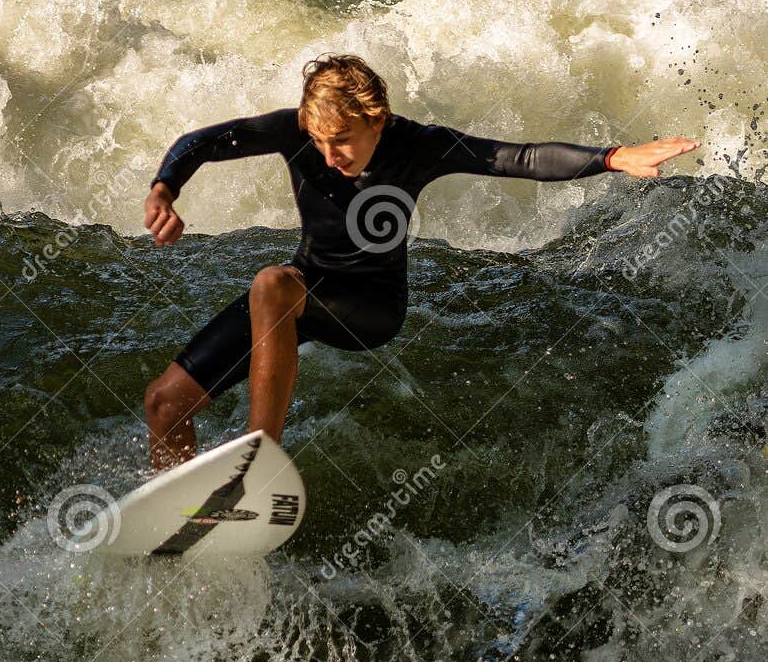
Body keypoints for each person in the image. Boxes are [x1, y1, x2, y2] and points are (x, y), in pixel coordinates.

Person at [142, 54, 698, 470]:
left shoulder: (416, 145)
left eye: (341, 140)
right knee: (165, 402)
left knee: (272, 283)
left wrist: (613, 157)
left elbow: (517, 158)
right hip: (302, 293)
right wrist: (164, 188)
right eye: (317, 140)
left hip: (371, 307)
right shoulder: (299, 133)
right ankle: (187, 520)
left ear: (376, 120)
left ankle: (258, 464)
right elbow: (206, 141)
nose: (329, 155)